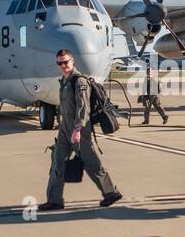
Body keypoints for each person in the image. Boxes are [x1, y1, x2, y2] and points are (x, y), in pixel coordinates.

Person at [39, 49, 123, 211]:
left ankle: (111, 192)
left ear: (72, 61)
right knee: (57, 161)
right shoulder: (64, 81)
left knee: (92, 163)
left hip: (79, 129)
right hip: (65, 128)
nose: (63, 65)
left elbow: (83, 109)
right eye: (60, 63)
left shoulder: (80, 82)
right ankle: (54, 200)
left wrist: (77, 129)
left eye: (65, 62)